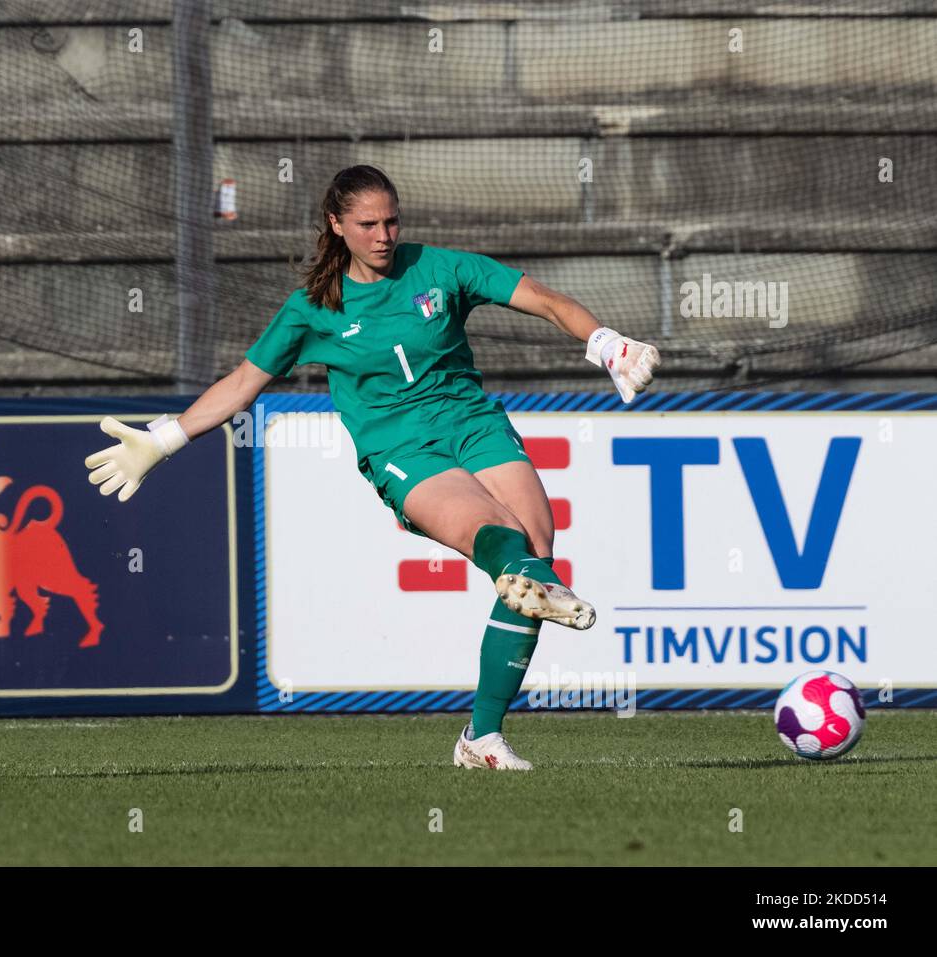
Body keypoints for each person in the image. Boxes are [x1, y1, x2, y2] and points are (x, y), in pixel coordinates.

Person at [86, 165, 660, 771]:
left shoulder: (439, 268)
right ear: (336, 226)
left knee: (537, 548)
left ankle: (479, 737)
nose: (383, 235)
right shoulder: (313, 308)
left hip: (474, 424)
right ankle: (490, 723)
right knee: (509, 546)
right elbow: (241, 385)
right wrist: (165, 438)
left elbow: (541, 299)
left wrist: (607, 344)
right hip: (400, 449)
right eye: (367, 224)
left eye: (391, 220)